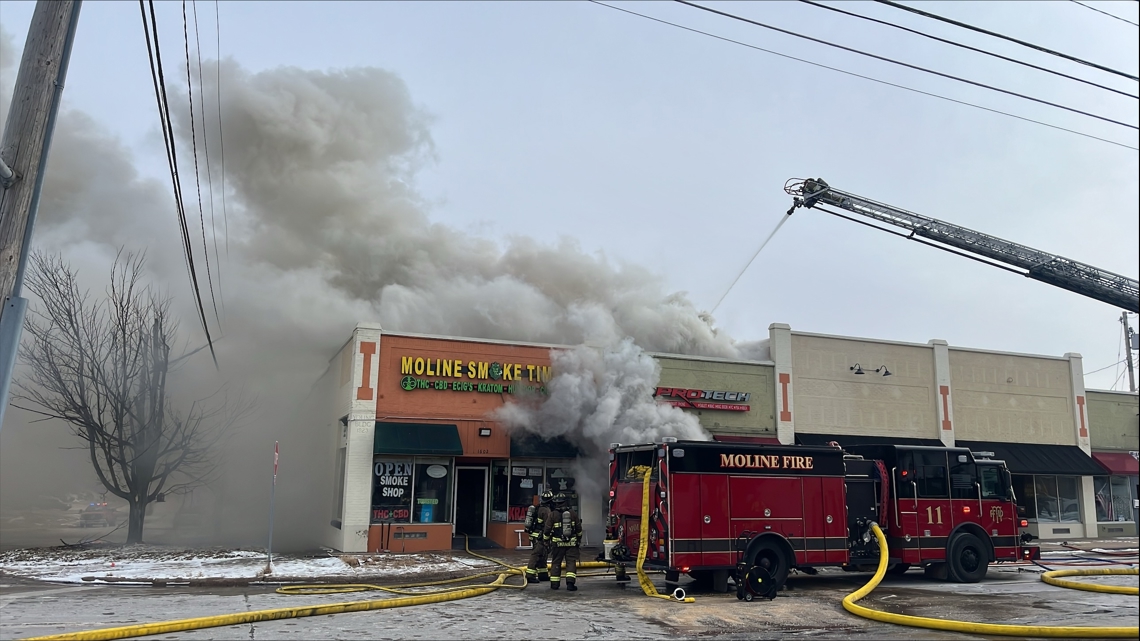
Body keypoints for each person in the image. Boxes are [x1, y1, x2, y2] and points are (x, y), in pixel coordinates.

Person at [543, 492, 583, 591]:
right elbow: (578, 528)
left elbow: (547, 529)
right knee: (571, 562)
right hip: (571, 543)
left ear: (556, 503)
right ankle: (570, 584)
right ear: (566, 502)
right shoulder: (572, 513)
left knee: (556, 562)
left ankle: (555, 584)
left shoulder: (553, 514)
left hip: (557, 543)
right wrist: (578, 540)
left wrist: (546, 540)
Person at [524, 490, 554, 584]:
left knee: (543, 555)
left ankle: (543, 574)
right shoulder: (546, 510)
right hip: (539, 537)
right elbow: (548, 525)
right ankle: (530, 575)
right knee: (536, 555)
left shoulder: (538, 507)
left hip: (534, 535)